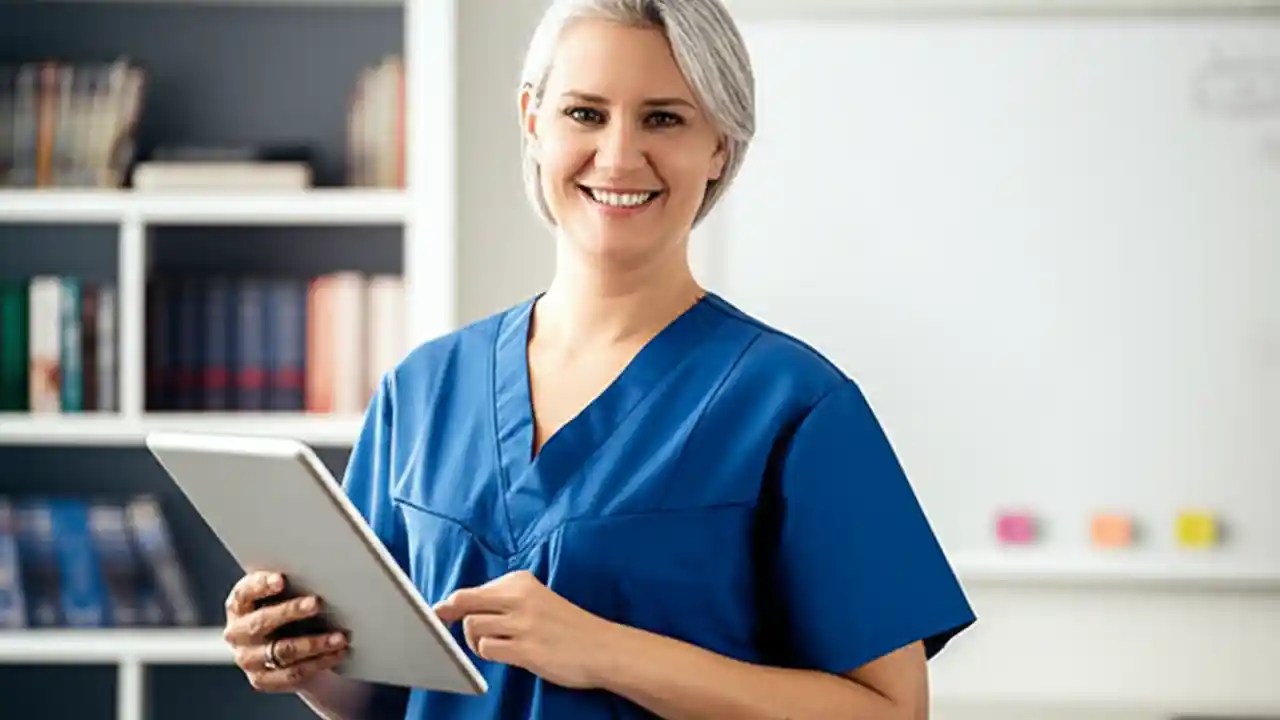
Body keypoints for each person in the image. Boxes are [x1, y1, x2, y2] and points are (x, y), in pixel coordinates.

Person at [220, 0, 977, 717]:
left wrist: (604, 652)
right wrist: (308, 667)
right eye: (585, 113)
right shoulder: (424, 388)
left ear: (720, 145)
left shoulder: (794, 405)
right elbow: (391, 698)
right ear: (532, 121)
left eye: (664, 119)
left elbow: (891, 708)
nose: (618, 155)